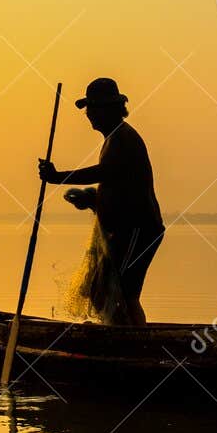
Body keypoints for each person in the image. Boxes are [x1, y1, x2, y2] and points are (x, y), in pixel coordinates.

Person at [38, 78, 163, 326]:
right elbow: (119, 184)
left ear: (109, 109)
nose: (89, 114)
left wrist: (58, 177)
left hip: (139, 230)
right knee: (97, 290)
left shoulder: (123, 138)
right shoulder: (112, 140)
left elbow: (105, 173)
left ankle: (134, 340)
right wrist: (91, 199)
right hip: (123, 231)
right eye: (88, 109)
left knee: (125, 294)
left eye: (93, 108)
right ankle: (118, 333)